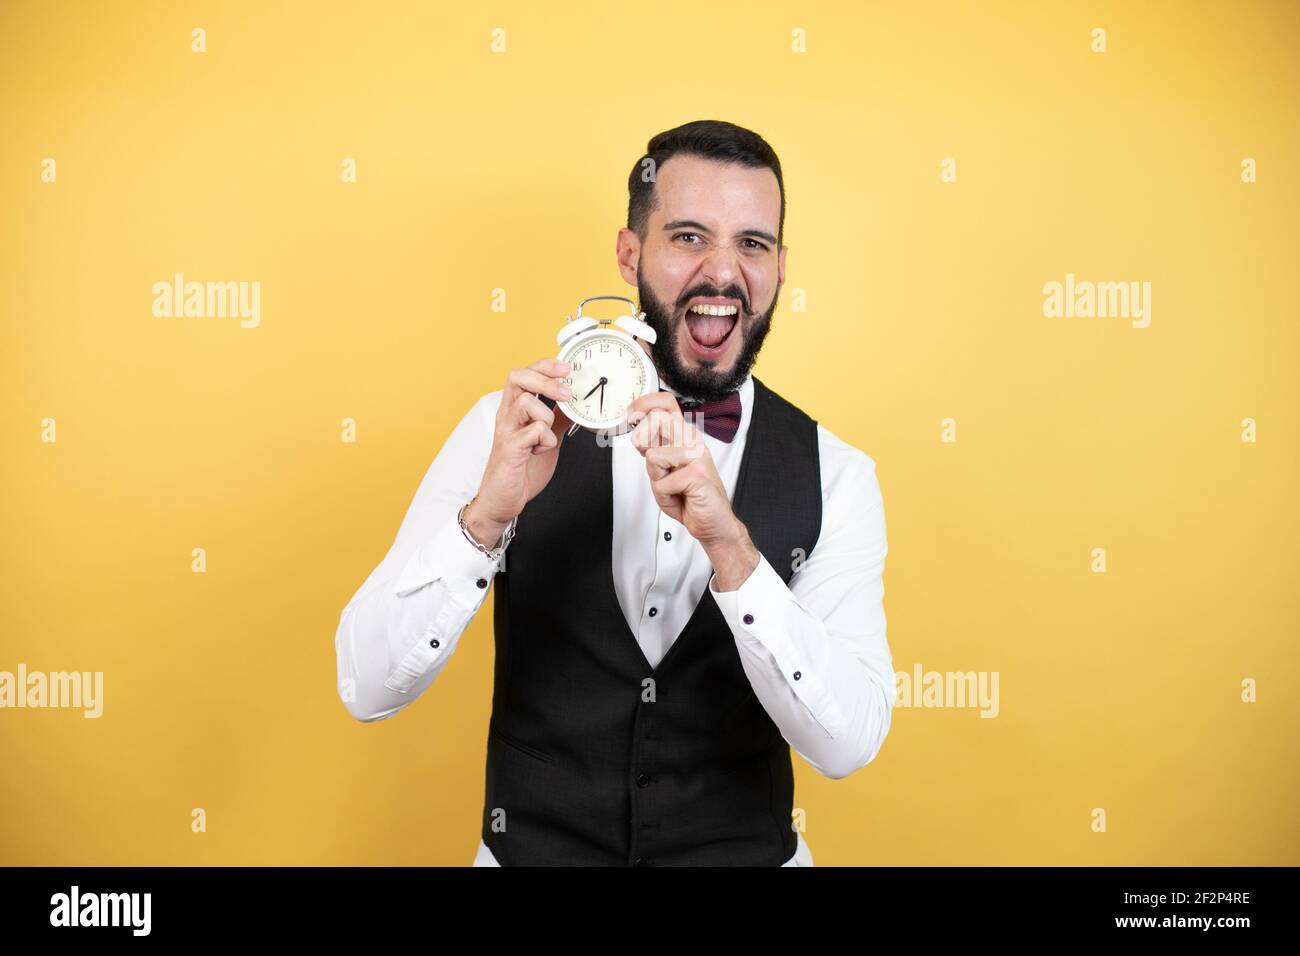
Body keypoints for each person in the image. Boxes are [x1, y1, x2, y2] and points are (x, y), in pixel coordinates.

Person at [335, 120, 894, 866]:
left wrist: (732, 549)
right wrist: (485, 521)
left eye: (751, 244)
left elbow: (849, 744)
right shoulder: (506, 431)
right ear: (631, 255)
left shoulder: (837, 473)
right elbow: (365, 685)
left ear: (782, 268)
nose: (723, 273)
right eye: (690, 237)